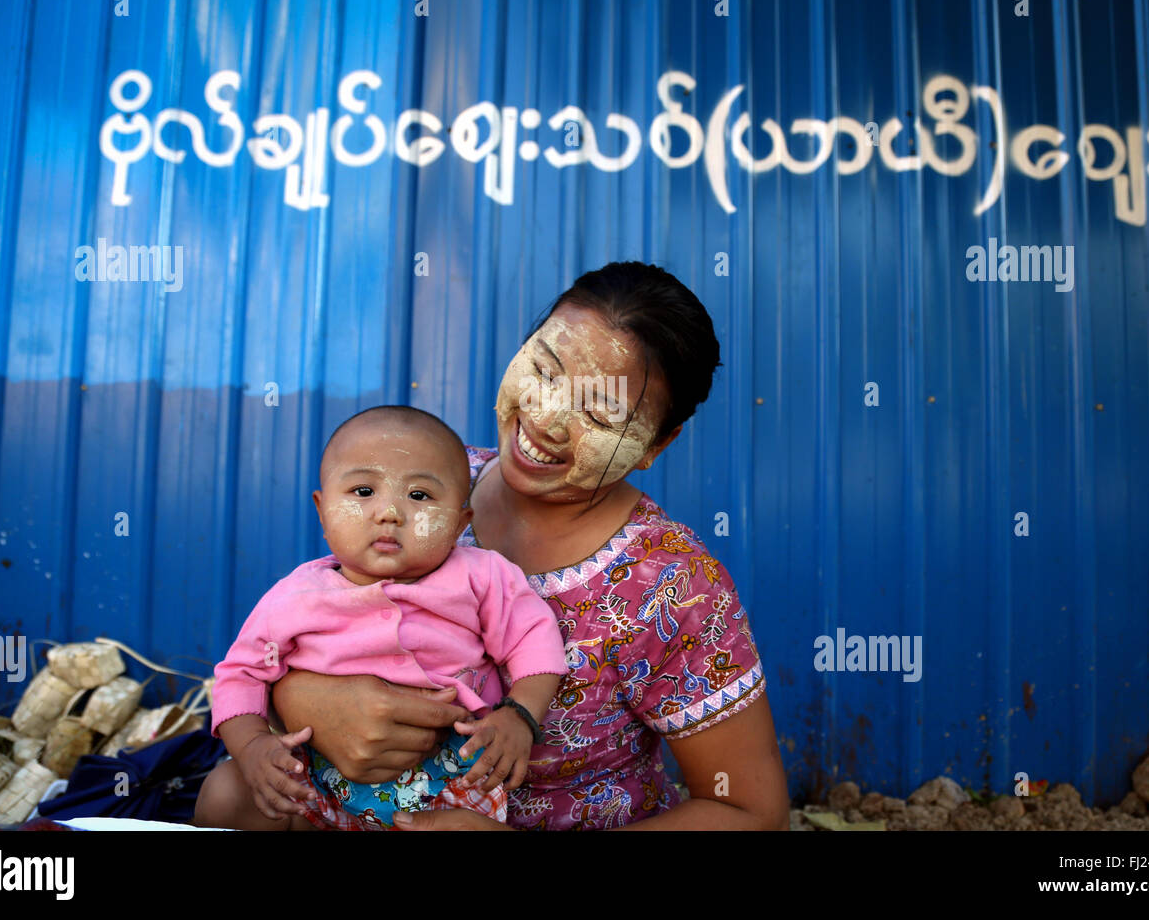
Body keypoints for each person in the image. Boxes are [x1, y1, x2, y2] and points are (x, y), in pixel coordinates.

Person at [273, 262, 789, 830]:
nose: (545, 420)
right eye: (544, 371)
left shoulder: (673, 589)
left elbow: (750, 812)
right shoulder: (425, 488)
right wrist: (301, 701)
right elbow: (299, 627)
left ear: (656, 445)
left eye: (599, 412)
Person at [194, 406, 567, 830]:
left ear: (460, 522)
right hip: (317, 780)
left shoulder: (481, 575)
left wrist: (520, 714)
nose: (389, 512)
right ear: (322, 510)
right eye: (363, 491)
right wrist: (253, 747)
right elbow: (240, 674)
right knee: (225, 793)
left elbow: (534, 639)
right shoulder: (295, 596)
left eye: (420, 496)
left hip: (449, 785)